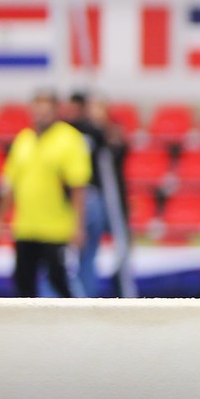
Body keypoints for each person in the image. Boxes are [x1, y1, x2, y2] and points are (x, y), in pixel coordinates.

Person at [0, 89, 92, 298]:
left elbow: (78, 186)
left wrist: (78, 226)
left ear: (56, 111)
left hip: (56, 228)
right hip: (26, 226)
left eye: (46, 110)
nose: (41, 115)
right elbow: (10, 183)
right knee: (23, 282)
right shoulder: (24, 140)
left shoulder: (69, 140)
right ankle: (30, 328)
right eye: (37, 110)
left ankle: (75, 323)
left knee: (60, 281)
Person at [66, 92, 132, 298]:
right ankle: (86, 294)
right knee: (87, 253)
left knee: (123, 251)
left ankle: (121, 289)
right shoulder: (81, 132)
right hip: (91, 201)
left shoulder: (109, 134)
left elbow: (119, 153)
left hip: (113, 202)